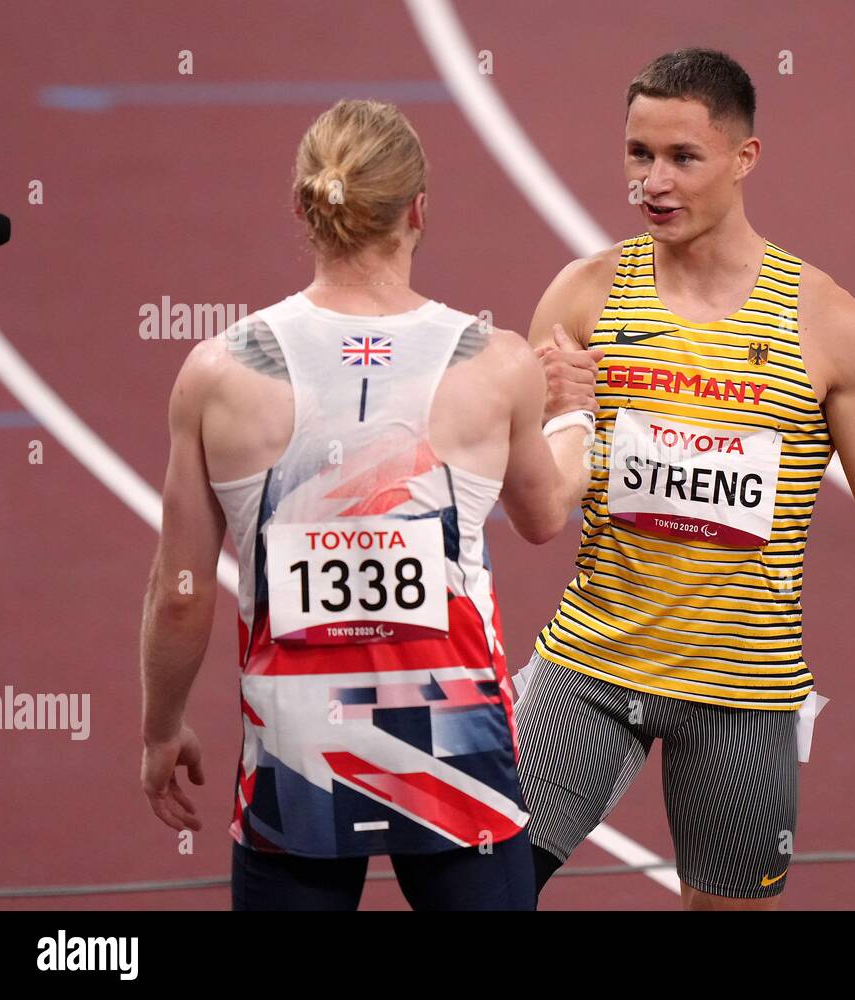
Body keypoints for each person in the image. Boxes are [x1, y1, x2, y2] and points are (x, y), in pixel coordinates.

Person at [517, 49, 855, 910]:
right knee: (481, 885)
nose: (653, 181)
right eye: (637, 154)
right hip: (591, 666)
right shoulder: (581, 299)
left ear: (744, 159)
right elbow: (535, 501)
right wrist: (546, 423)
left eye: (683, 158)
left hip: (743, 694)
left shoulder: (831, 327)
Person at [138, 99, 594, 911]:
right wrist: (574, 415)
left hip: (297, 757)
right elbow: (545, 513)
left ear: (304, 207)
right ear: (419, 211)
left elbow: (180, 595)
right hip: (456, 756)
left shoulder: (217, 372)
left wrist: (159, 729)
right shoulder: (497, 364)